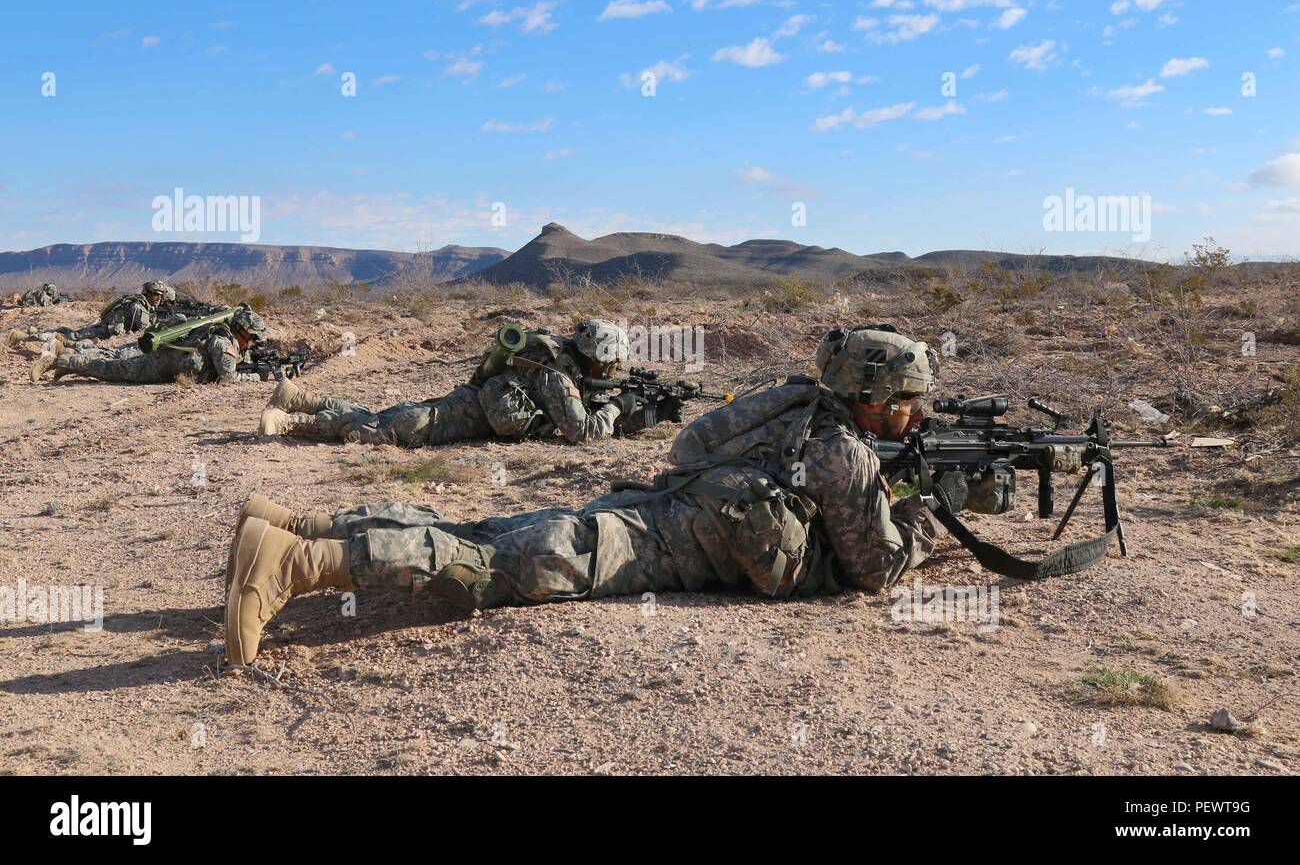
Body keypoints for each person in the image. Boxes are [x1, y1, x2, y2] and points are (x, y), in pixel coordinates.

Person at [223, 324, 941, 664]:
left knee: (486, 531)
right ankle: (297, 564)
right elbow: (873, 569)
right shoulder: (841, 448)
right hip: (646, 544)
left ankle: (294, 523)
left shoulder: (789, 405)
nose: (914, 412)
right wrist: (924, 518)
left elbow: (689, 446)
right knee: (498, 566)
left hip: (644, 509)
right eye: (909, 398)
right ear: (876, 394)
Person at [257, 319, 676, 446]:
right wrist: (620, 406)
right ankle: (296, 421)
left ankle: (303, 398)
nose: (612, 373)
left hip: (474, 401)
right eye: (611, 365)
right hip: (471, 411)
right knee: (392, 429)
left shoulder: (564, 361)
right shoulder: (557, 373)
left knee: (395, 417)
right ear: (597, 356)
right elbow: (581, 431)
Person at [33, 303, 270, 385]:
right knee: (114, 370)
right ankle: (58, 360)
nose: (252, 343)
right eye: (252, 337)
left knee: (114, 364)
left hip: (168, 363)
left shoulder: (225, 337)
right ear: (242, 331)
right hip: (161, 365)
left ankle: (69, 364)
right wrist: (257, 377)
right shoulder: (222, 341)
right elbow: (228, 378)